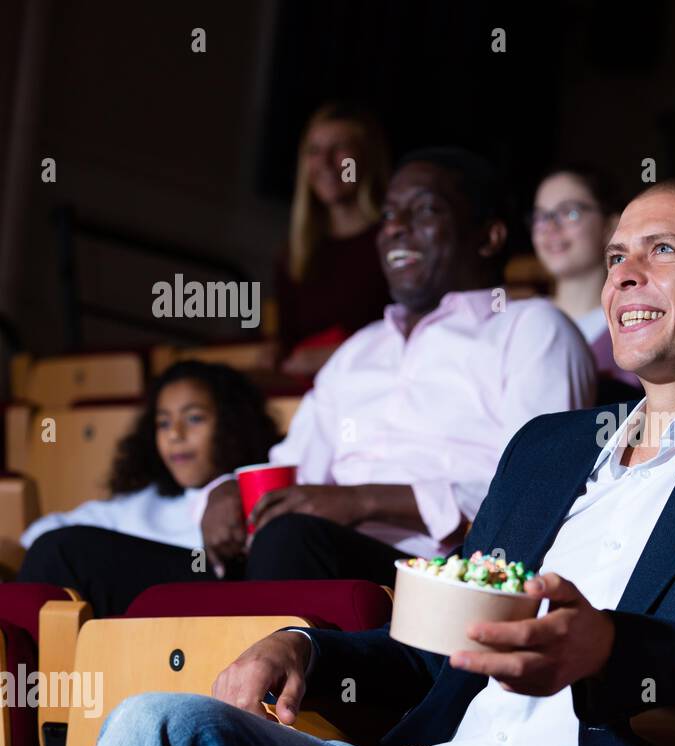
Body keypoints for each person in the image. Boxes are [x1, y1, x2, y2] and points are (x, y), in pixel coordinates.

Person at [68, 177, 675, 746]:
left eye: (662, 250)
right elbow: (441, 652)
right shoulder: (548, 447)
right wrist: (305, 646)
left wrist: (609, 649)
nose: (624, 275)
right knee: (151, 725)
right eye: (615, 258)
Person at [199, 148, 597, 589]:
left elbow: (535, 493)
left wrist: (365, 502)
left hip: (443, 574)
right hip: (306, 551)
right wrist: (226, 492)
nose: (395, 227)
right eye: (388, 213)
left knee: (290, 539)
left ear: (488, 237)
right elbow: (292, 467)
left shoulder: (533, 329)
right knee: (113, 561)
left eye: (424, 210)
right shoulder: (359, 349)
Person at [17, 362, 280, 615]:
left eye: (194, 418)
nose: (175, 434)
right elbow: (42, 534)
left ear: (233, 425)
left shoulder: (249, 490)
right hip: (139, 629)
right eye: (163, 423)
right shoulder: (143, 501)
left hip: (219, 608)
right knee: (56, 552)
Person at [274, 102, 393, 378]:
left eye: (340, 149)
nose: (325, 163)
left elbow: (412, 335)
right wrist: (277, 353)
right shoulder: (295, 251)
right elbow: (289, 341)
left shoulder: (394, 241)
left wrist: (340, 352)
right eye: (314, 151)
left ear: (368, 158)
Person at [530, 166, 638, 390]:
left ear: (610, 226)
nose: (549, 227)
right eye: (541, 216)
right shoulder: (522, 320)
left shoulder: (634, 325)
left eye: (570, 213)